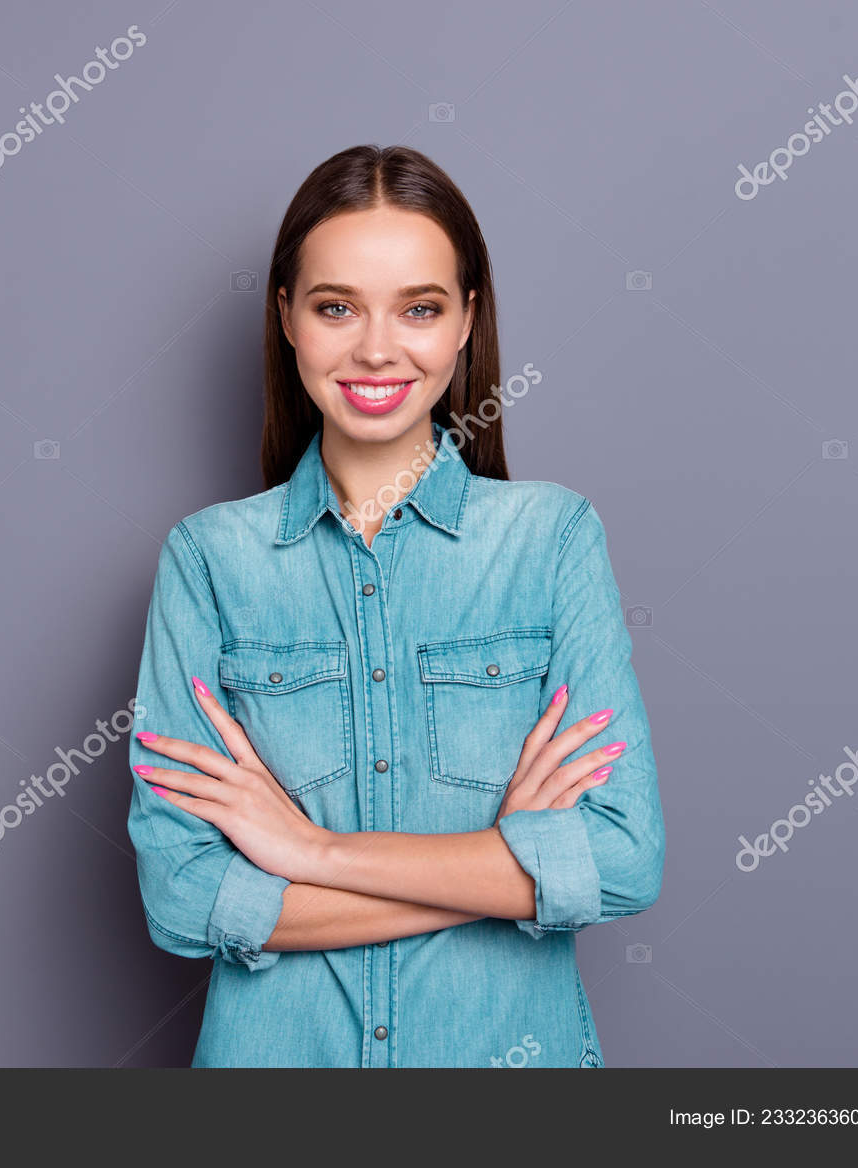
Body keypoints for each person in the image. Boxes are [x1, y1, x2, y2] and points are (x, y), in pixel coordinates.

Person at [126, 144, 665, 1067]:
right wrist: (510, 862)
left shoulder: (551, 539)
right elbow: (183, 897)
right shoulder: (210, 561)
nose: (378, 348)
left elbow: (617, 861)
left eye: (419, 308)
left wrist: (312, 854)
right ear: (287, 318)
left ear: (466, 323)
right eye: (337, 306)